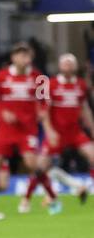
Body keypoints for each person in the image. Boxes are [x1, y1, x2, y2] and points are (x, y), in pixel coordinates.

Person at [0, 43, 58, 216]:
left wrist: (43, 115)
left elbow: (45, 103)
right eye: (21, 55)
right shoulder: (1, 76)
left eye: (27, 55)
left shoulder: (39, 78)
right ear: (13, 57)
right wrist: (3, 112)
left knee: (33, 164)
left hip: (27, 130)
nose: (24, 59)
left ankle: (52, 197)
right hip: (5, 129)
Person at [26, 52, 94, 206]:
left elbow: (84, 108)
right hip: (57, 132)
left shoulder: (81, 85)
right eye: (65, 63)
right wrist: (49, 131)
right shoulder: (51, 84)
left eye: (70, 63)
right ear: (60, 66)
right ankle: (27, 199)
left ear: (75, 66)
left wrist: (92, 127)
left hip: (75, 132)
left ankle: (82, 188)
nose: (68, 66)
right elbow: (44, 111)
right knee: (40, 167)